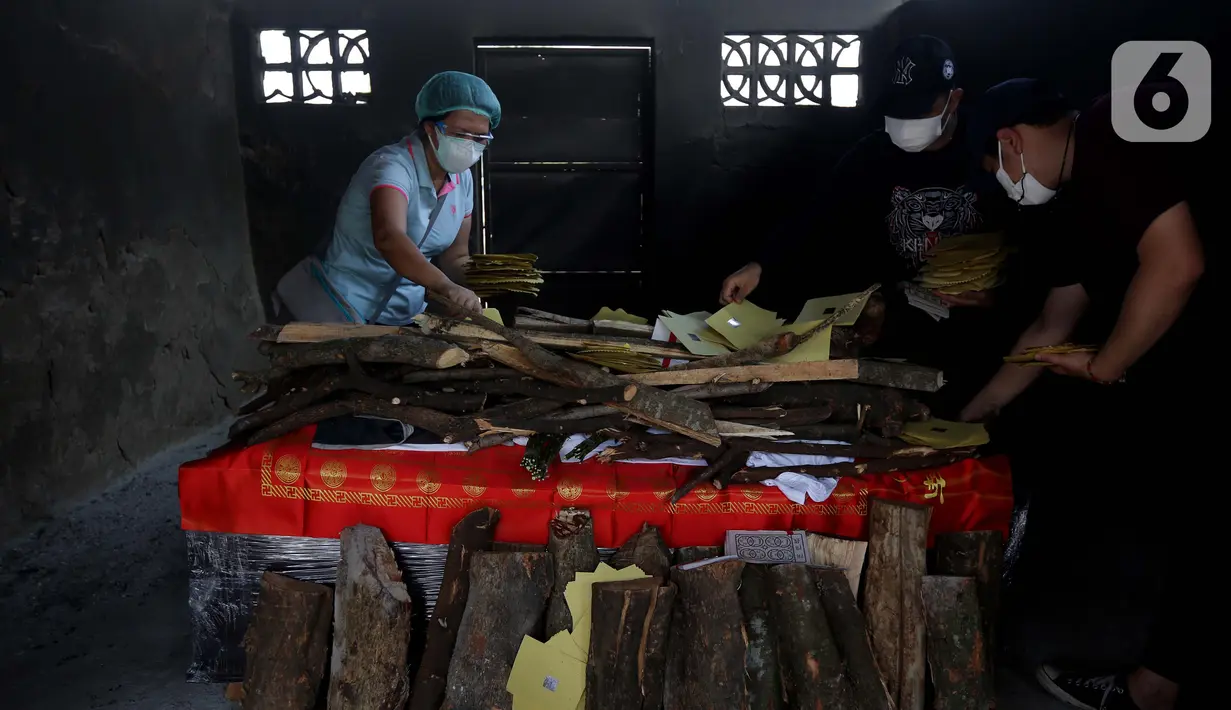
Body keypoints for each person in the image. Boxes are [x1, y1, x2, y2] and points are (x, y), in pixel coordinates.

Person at [961, 78, 1206, 710]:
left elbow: (1177, 264)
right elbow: (1052, 324)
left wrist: (1105, 365)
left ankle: (1150, 692)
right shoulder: (1073, 201)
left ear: (1010, 142)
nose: (1008, 187)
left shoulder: (1109, 130)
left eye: (999, 172)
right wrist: (972, 415)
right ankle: (1158, 683)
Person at [719, 35, 1014, 417]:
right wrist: (760, 265)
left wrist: (1003, 294)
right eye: (898, 109)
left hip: (979, 333)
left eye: (920, 110)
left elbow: (1032, 237)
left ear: (954, 99)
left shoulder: (989, 149)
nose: (906, 123)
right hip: (900, 322)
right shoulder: (873, 154)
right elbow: (816, 215)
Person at [274, 70, 497, 324]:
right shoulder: (392, 166)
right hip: (339, 307)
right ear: (431, 129)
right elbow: (389, 237)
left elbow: (455, 257)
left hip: (400, 318)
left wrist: (491, 279)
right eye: (461, 134)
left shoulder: (462, 181)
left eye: (480, 138)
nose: (470, 144)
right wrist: (445, 286)